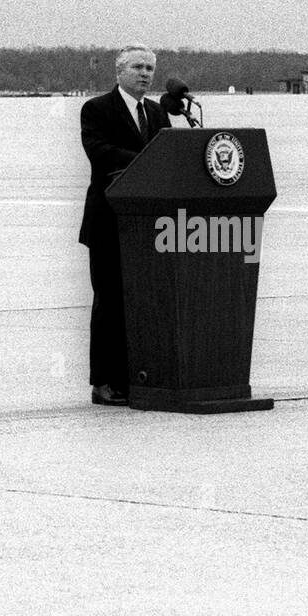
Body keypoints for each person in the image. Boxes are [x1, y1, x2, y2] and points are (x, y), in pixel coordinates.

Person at [79, 45, 171, 405]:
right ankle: (103, 383)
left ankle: (136, 376)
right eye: (137, 67)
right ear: (119, 72)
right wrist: (149, 162)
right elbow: (99, 151)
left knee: (143, 302)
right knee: (110, 300)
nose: (145, 74)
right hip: (107, 222)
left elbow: (171, 155)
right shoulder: (97, 109)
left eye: (149, 67)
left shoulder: (157, 111)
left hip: (148, 225)